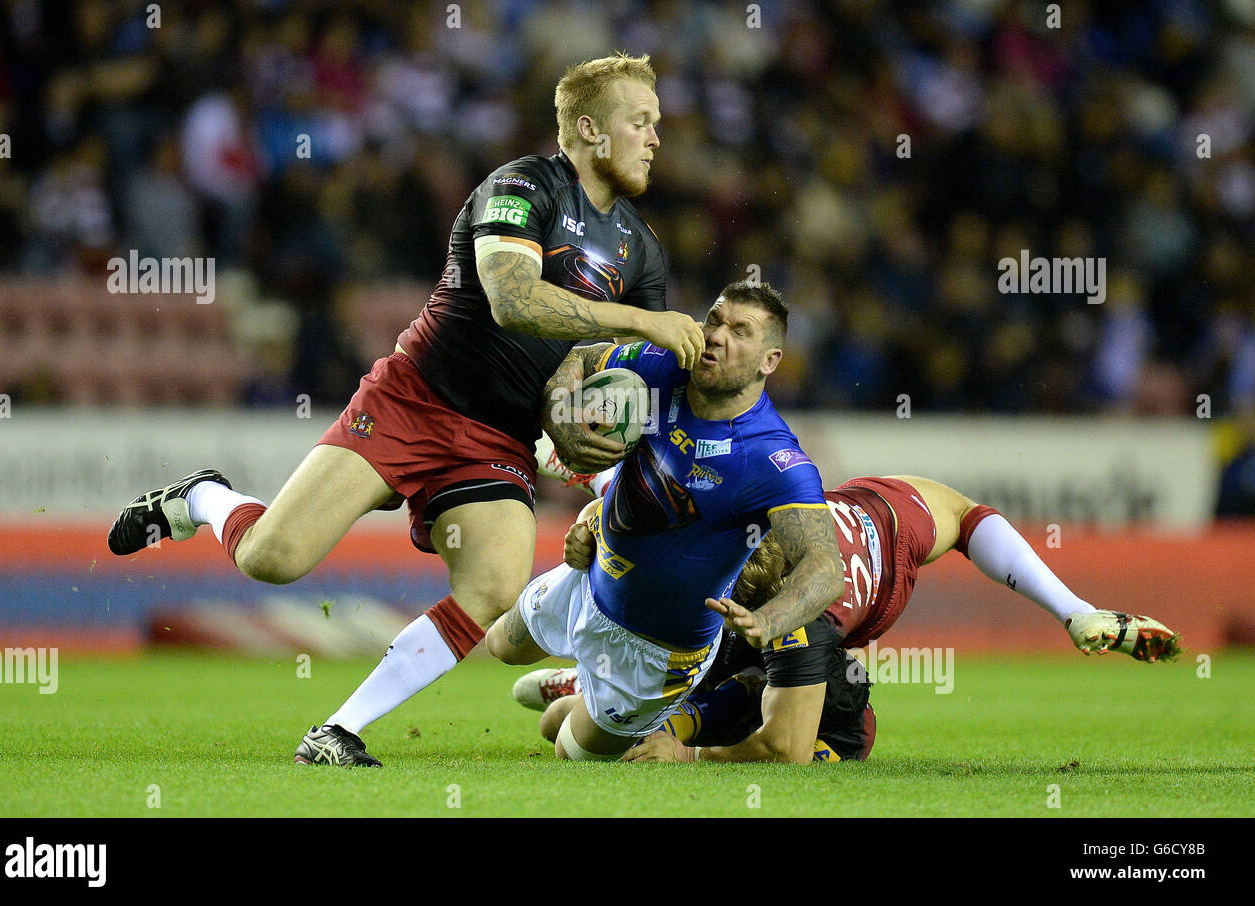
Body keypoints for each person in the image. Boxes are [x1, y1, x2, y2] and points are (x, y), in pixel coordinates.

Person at [105, 53, 706, 766]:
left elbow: (591, 364)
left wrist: (570, 420)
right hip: (414, 399)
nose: (655, 138)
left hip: (497, 437)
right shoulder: (521, 186)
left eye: (657, 124)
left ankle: (337, 729)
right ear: (588, 129)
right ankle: (202, 497)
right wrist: (641, 325)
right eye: (639, 122)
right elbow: (512, 297)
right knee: (274, 558)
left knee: (494, 582)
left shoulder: (642, 252)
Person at [520, 473, 1181, 764]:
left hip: (803, 642)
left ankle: (616, 684)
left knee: (786, 698)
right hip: (851, 534)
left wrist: (687, 753)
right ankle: (601, 678)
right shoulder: (884, 509)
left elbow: (787, 748)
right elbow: (971, 515)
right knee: (589, 714)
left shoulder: (802, 617)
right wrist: (1075, 611)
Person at [485, 281, 847, 760]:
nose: (716, 335)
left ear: (769, 361)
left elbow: (826, 567)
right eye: (714, 319)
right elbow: (584, 356)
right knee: (498, 646)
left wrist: (767, 619)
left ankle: (583, 688)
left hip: (654, 654)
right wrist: (566, 424)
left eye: (740, 331)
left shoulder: (772, 457)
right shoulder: (662, 365)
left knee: (563, 742)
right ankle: (583, 675)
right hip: (590, 581)